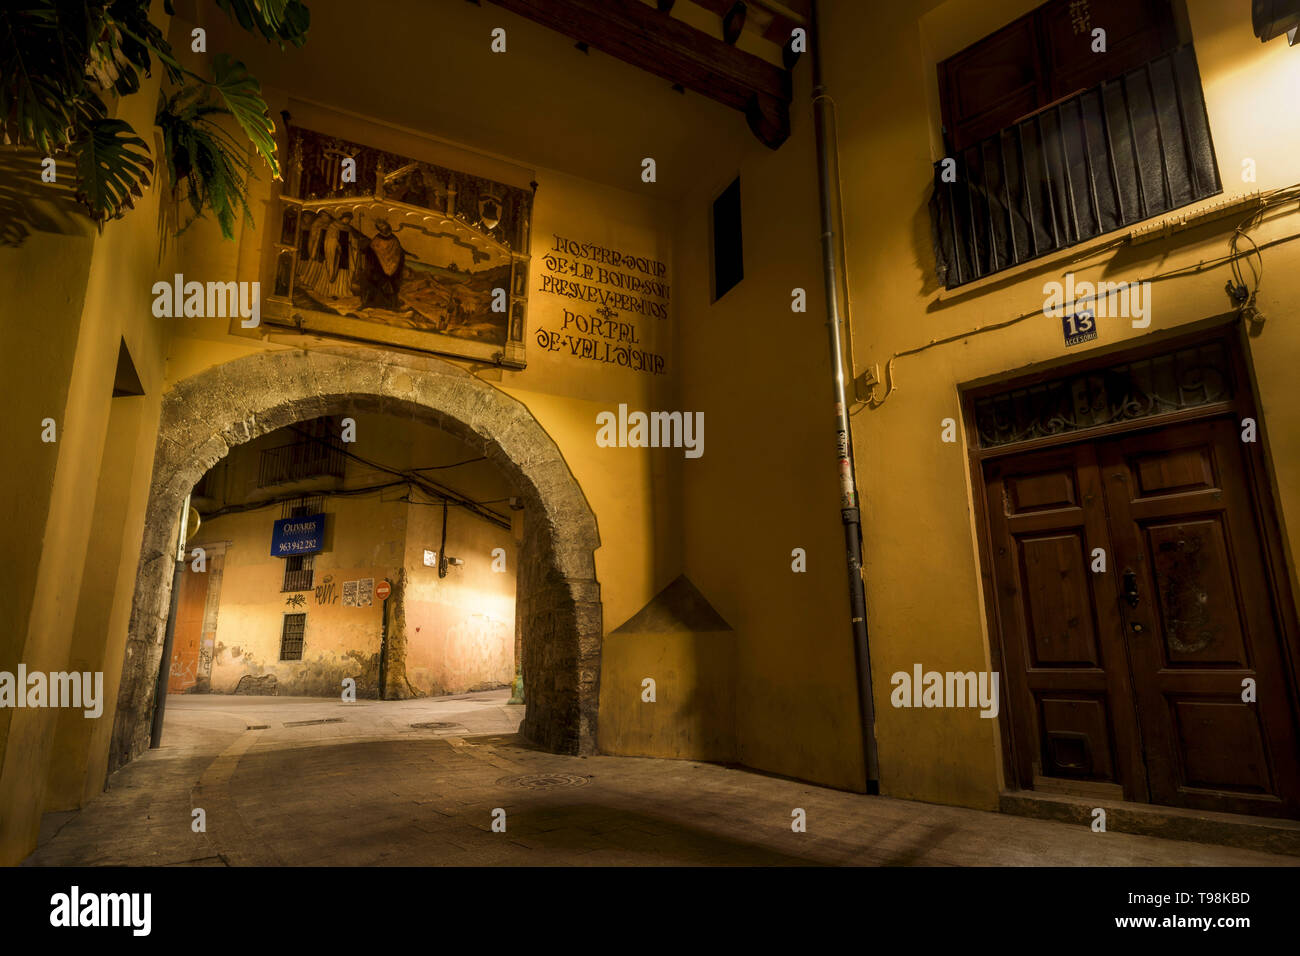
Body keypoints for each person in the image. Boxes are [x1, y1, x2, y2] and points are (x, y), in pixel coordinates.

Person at [357, 218, 407, 310]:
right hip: (378, 266)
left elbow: (398, 254)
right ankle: (369, 303)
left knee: (390, 287)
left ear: (388, 227)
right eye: (381, 227)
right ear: (379, 229)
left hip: (392, 268)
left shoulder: (394, 240)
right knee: (373, 283)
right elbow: (371, 250)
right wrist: (363, 248)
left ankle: (390, 306)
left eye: (384, 226)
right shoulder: (377, 239)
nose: (383, 228)